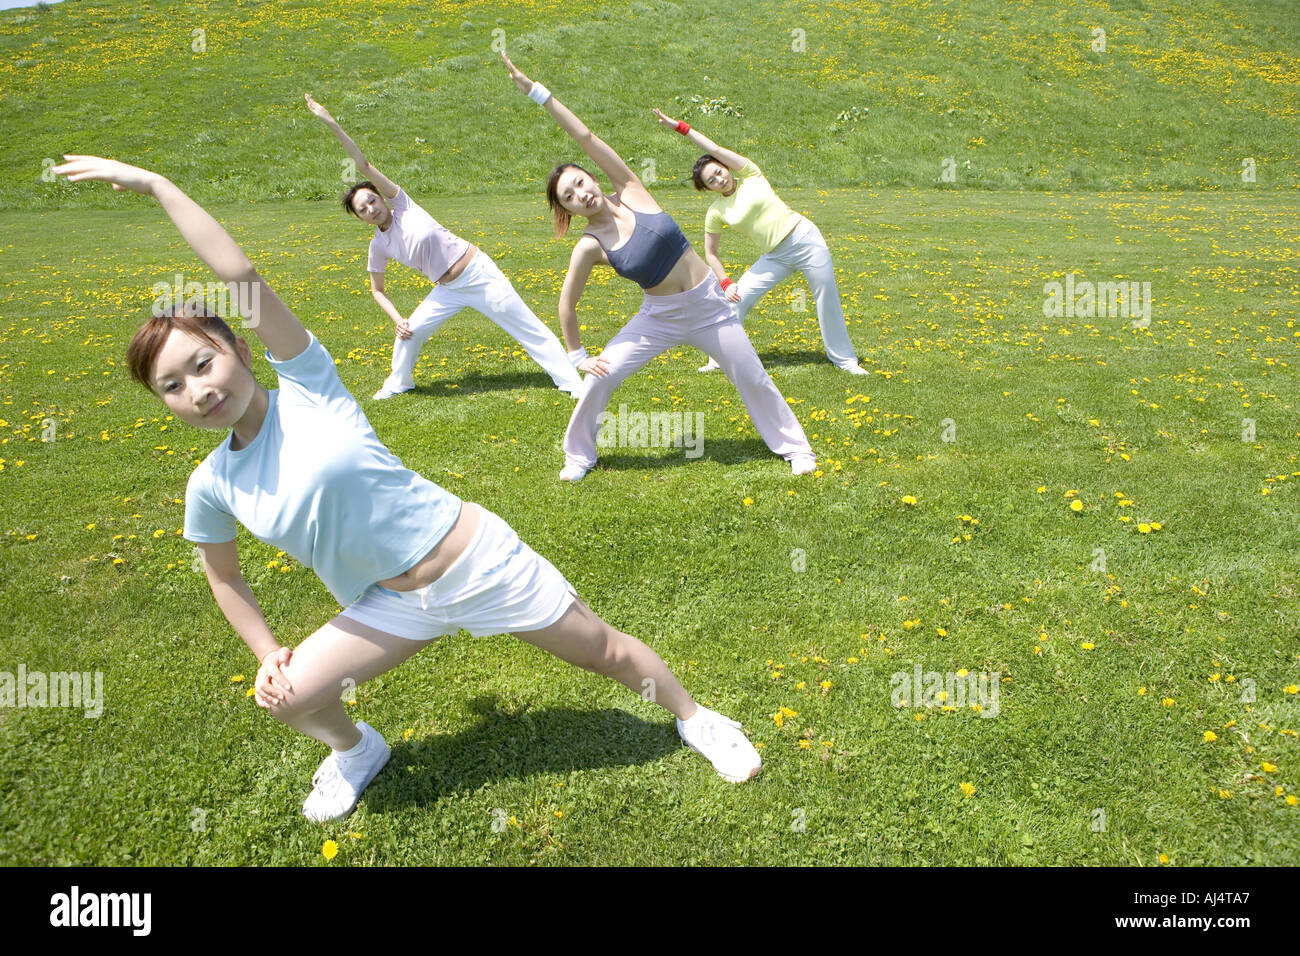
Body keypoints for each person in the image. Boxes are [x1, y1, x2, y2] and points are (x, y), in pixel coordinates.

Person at [51, 154, 764, 822]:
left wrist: (154, 185)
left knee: (605, 652)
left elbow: (237, 271)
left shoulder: (307, 384)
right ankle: (357, 749)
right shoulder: (210, 484)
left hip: (475, 560)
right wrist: (268, 652)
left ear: (239, 348)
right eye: (171, 387)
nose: (197, 391)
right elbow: (225, 578)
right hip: (389, 605)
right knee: (291, 697)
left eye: (202, 364)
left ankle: (696, 718)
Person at [501, 54, 818, 482]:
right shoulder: (589, 246)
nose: (580, 193)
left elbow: (585, 136)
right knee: (600, 378)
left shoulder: (631, 189)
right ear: (568, 211)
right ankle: (577, 456)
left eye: (579, 182)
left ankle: (795, 449)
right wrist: (578, 356)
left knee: (753, 377)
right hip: (659, 319)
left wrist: (538, 93)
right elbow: (567, 303)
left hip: (709, 305)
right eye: (569, 197)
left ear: (592, 177)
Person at [304, 94, 584, 401]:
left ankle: (571, 381)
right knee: (410, 333)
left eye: (371, 200)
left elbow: (364, 165)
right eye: (362, 209)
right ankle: (400, 382)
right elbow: (377, 290)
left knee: (526, 326)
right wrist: (398, 319)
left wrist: (330, 121)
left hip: (477, 272)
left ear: (381, 198)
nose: (370, 208)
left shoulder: (403, 204)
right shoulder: (378, 246)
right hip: (447, 289)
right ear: (360, 217)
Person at [651, 108, 867, 376]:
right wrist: (726, 282)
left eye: (719, 171)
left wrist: (680, 127)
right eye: (711, 180)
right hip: (775, 256)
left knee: (826, 299)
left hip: (805, 240)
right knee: (732, 301)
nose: (720, 179)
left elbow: (714, 147)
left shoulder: (751, 173)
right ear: (707, 189)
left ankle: (845, 360)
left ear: (725, 166)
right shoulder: (716, 212)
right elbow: (711, 252)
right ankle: (718, 358)